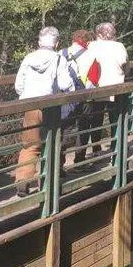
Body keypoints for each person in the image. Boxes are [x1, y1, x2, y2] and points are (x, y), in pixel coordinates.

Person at [13, 27, 74, 197]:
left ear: (39, 42)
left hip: (30, 105)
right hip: (51, 106)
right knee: (51, 145)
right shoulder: (58, 59)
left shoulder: (29, 58)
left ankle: (23, 182)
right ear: (57, 43)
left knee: (30, 145)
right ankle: (47, 183)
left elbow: (18, 85)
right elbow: (64, 84)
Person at [78, 22, 129, 160]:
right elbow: (125, 66)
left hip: (96, 88)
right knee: (116, 119)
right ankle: (116, 148)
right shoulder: (119, 46)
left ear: (98, 34)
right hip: (116, 87)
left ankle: (95, 149)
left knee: (95, 119)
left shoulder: (91, 46)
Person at [60, 30, 95, 168]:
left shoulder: (60, 53)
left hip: (64, 98)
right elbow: (93, 79)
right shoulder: (91, 56)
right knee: (83, 127)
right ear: (87, 42)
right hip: (85, 97)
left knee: (64, 129)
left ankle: (59, 164)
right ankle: (79, 162)